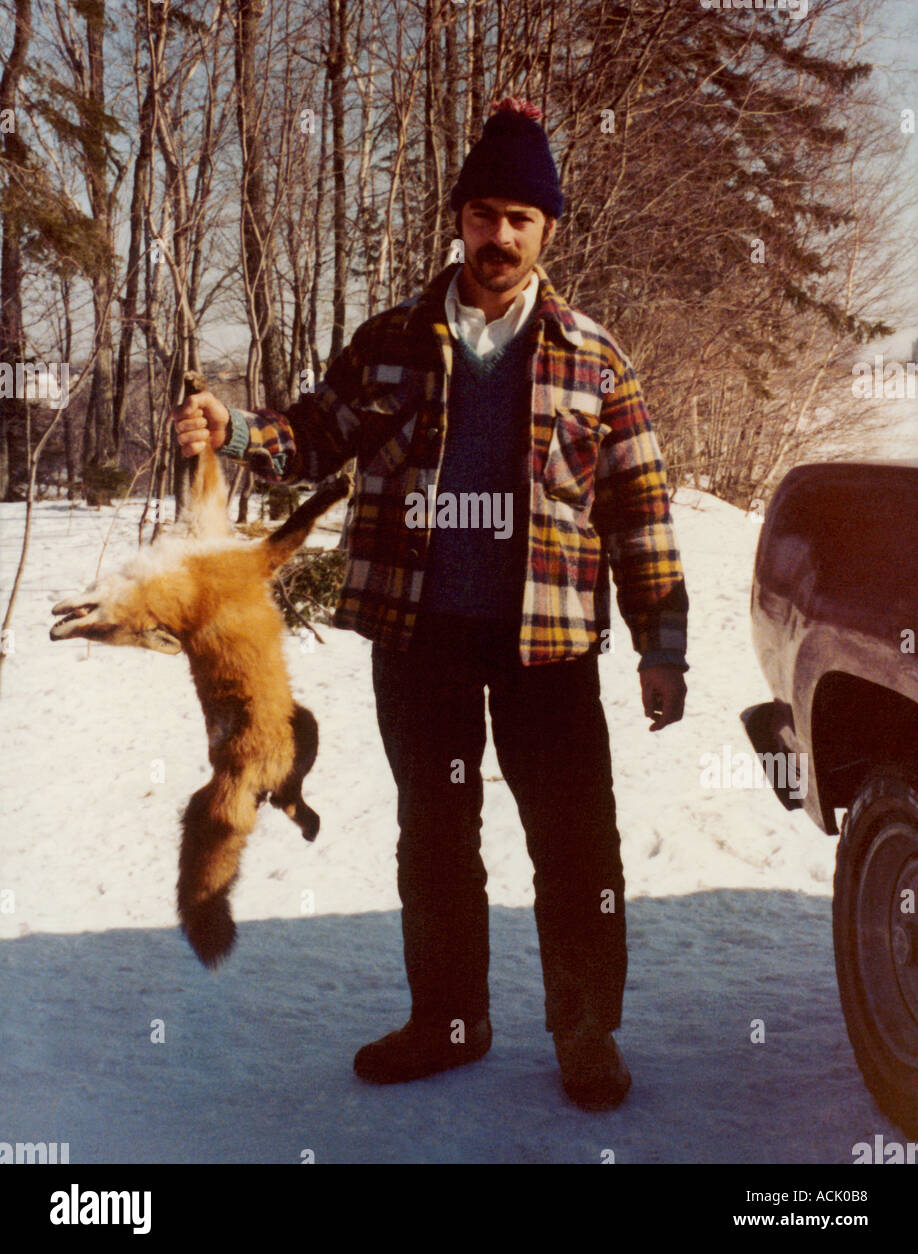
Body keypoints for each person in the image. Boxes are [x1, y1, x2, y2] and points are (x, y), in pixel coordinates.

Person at [172, 97, 689, 1110]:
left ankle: (587, 1029)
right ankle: (450, 1021)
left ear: (547, 232)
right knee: (436, 832)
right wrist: (234, 431)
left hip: (547, 644)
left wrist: (660, 641)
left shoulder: (593, 357)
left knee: (578, 838)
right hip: (422, 639)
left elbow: (640, 507)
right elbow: (311, 436)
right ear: (459, 217)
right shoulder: (394, 341)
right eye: (485, 213)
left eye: (521, 220)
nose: (499, 236)